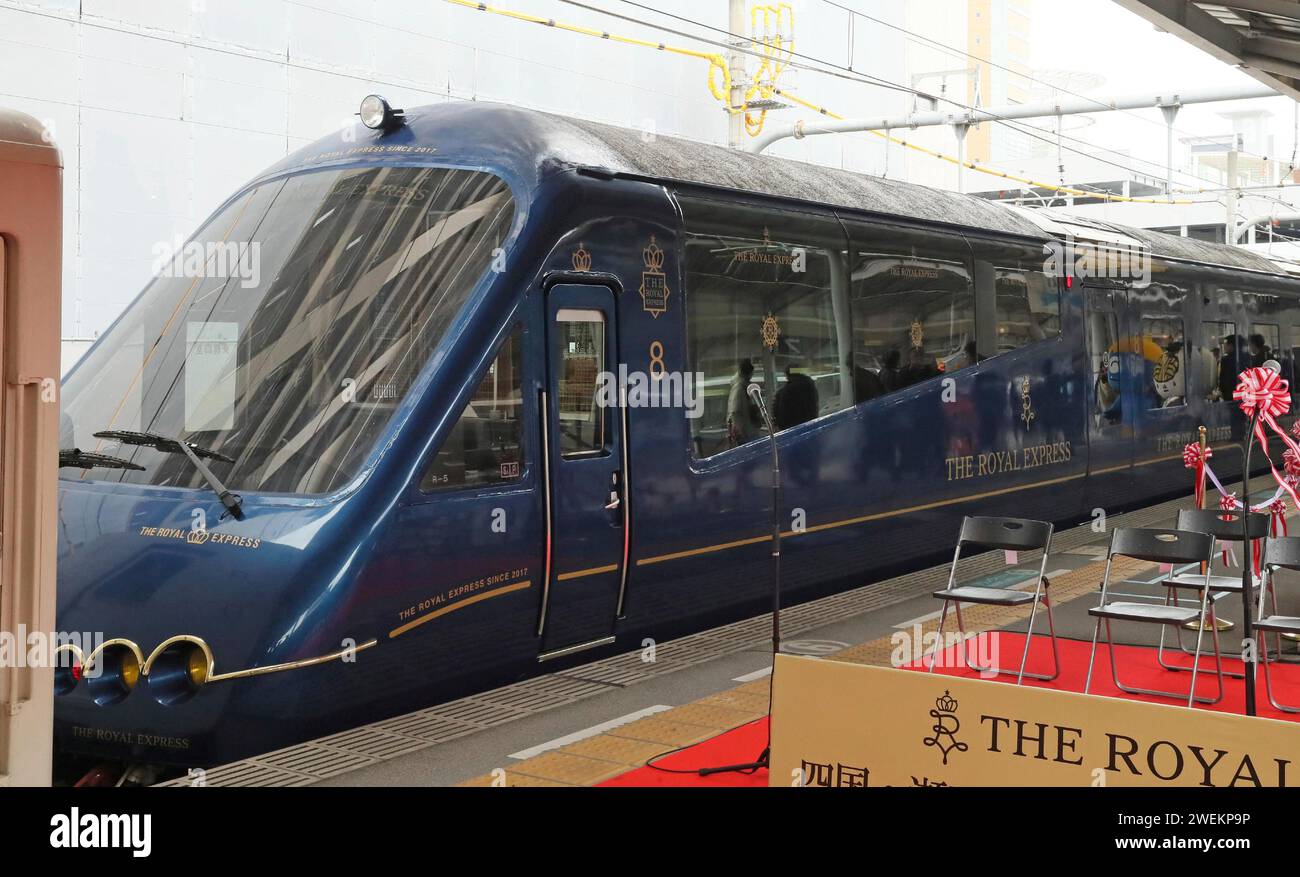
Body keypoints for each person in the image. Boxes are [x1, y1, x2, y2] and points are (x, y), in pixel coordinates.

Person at [726, 358, 761, 447]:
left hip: (748, 431)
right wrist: (740, 432)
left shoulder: (745, 387)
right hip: (745, 433)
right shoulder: (739, 388)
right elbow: (735, 412)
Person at [773, 364, 819, 430]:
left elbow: (781, 416)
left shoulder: (785, 392)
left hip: (792, 430)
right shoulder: (811, 386)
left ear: (787, 375)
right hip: (811, 426)